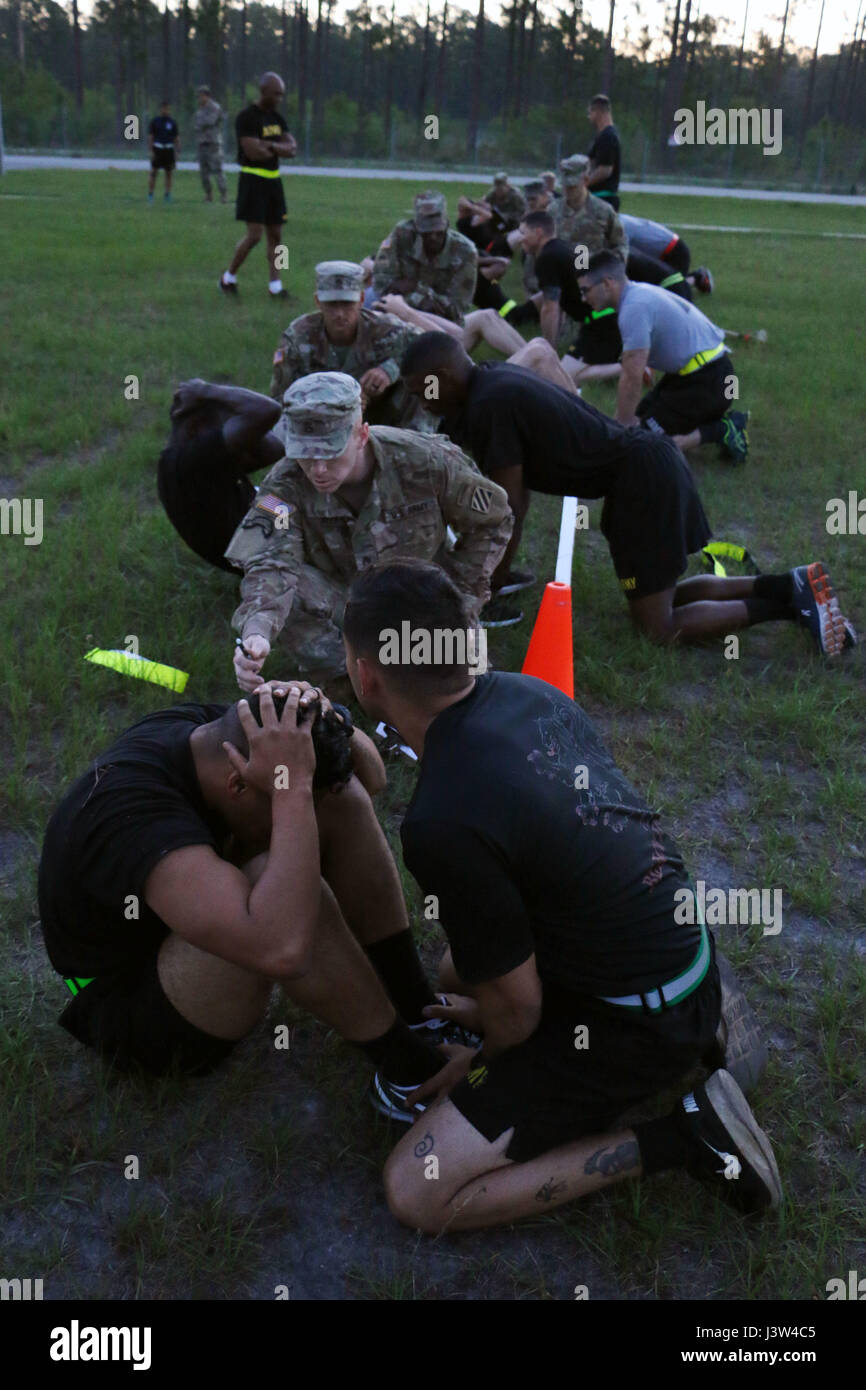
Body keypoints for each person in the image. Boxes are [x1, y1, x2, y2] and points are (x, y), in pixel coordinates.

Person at [340, 559, 782, 1231]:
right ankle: (701, 1013)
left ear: (366, 675)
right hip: (676, 944)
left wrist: (479, 1066)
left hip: (638, 1019)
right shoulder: (533, 693)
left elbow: (515, 1015)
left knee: (417, 1189)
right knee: (459, 971)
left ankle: (690, 1137)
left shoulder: (441, 822)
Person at [37, 681, 451, 1094]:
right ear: (237, 785)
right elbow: (282, 949)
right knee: (278, 886)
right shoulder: (133, 817)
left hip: (175, 913)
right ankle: (411, 1074)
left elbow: (372, 780)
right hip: (126, 1000)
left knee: (340, 798)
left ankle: (418, 1007)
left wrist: (325, 712)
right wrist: (292, 793)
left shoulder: (215, 735)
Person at [400, 332, 856, 655]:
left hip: (642, 478)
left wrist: (485, 587)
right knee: (661, 597)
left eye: (424, 390)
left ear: (444, 374)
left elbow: (510, 509)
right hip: (642, 467)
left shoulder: (489, 405)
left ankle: (789, 605)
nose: (423, 402)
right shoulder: (491, 379)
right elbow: (512, 500)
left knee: (659, 628)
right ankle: (789, 585)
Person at [226, 372, 514, 693]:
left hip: (425, 600)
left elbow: (493, 520)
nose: (318, 470)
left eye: (330, 452)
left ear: (362, 435)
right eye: (306, 454)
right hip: (348, 602)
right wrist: (256, 634)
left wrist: (460, 598)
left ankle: (385, 672)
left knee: (467, 690)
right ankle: (354, 678)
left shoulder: (426, 461)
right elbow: (269, 561)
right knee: (293, 590)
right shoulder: (283, 485)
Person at [578, 250, 749, 462]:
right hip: (695, 376)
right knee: (638, 421)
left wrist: (619, 433)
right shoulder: (637, 294)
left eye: (585, 291)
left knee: (645, 444)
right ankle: (705, 421)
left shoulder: (634, 308)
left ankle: (722, 428)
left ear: (607, 284)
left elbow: (632, 376)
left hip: (710, 381)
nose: (583, 298)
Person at [270, 261, 431, 432]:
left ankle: (419, 442)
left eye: (347, 303)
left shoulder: (388, 330)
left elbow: (432, 348)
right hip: (320, 425)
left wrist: (390, 370)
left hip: (383, 418)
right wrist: (332, 401)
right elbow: (280, 399)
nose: (339, 314)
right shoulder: (297, 338)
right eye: (332, 304)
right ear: (318, 301)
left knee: (425, 378)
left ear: (361, 299)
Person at [158, 379, 284, 572]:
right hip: (261, 552)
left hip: (253, 521)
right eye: (225, 425)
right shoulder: (194, 459)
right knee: (324, 491)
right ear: (196, 428)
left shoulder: (188, 458)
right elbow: (269, 410)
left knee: (291, 486)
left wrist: (247, 430)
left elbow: (275, 449)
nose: (230, 429)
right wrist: (205, 390)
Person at [372, 290, 578, 398]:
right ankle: (589, 420)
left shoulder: (378, 312)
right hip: (449, 397)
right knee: (539, 352)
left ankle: (581, 409)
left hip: (449, 380)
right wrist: (405, 312)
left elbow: (457, 333)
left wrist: (403, 309)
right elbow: (448, 343)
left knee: (487, 316)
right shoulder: (380, 329)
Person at [220, 72, 298, 299]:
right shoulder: (247, 117)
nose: (279, 99)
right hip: (253, 182)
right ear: (264, 91)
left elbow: (292, 148)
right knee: (254, 235)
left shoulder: (277, 118)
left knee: (277, 237)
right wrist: (277, 147)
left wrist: (269, 146)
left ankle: (277, 285)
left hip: (274, 182)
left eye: (282, 94)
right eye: (276, 94)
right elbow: (253, 152)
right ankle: (228, 278)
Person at [372, 192, 478, 325]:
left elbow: (456, 309)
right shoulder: (402, 235)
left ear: (447, 225)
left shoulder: (465, 252)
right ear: (416, 227)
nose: (433, 237)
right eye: (427, 232)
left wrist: (417, 288)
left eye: (438, 232)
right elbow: (382, 284)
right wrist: (424, 300)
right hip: (398, 311)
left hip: (438, 322)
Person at [551, 154, 627, 257]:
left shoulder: (603, 211)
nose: (568, 190)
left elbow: (620, 244)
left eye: (573, 186)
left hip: (594, 270)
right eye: (565, 185)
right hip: (562, 270)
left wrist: (610, 268)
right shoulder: (553, 210)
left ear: (586, 180)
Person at [620, 212, 714, 294]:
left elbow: (621, 258)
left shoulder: (621, 227)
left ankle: (696, 278)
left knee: (666, 292)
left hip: (675, 254)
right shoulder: (619, 221)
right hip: (667, 253)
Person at [586, 93, 622, 211]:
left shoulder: (608, 136)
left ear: (598, 111)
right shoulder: (602, 136)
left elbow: (605, 170)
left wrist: (582, 185)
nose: (589, 116)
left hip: (603, 199)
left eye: (590, 112)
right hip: (595, 198)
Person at [194, 84, 227, 204]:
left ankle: (223, 194)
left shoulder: (214, 107)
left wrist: (201, 124)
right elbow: (196, 125)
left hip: (213, 143)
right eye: (198, 96)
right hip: (202, 143)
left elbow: (210, 121)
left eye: (201, 96)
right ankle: (208, 194)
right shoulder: (200, 110)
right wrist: (200, 125)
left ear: (207, 96)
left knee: (217, 170)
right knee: (204, 172)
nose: (199, 98)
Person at [147, 100, 180, 204]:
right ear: (160, 109)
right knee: (154, 172)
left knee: (169, 173)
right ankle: (151, 195)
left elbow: (176, 138)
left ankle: (167, 195)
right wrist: (151, 150)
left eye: (167, 108)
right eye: (164, 108)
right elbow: (151, 137)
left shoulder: (172, 122)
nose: (166, 110)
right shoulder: (155, 121)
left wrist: (177, 151)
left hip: (169, 149)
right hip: (158, 148)